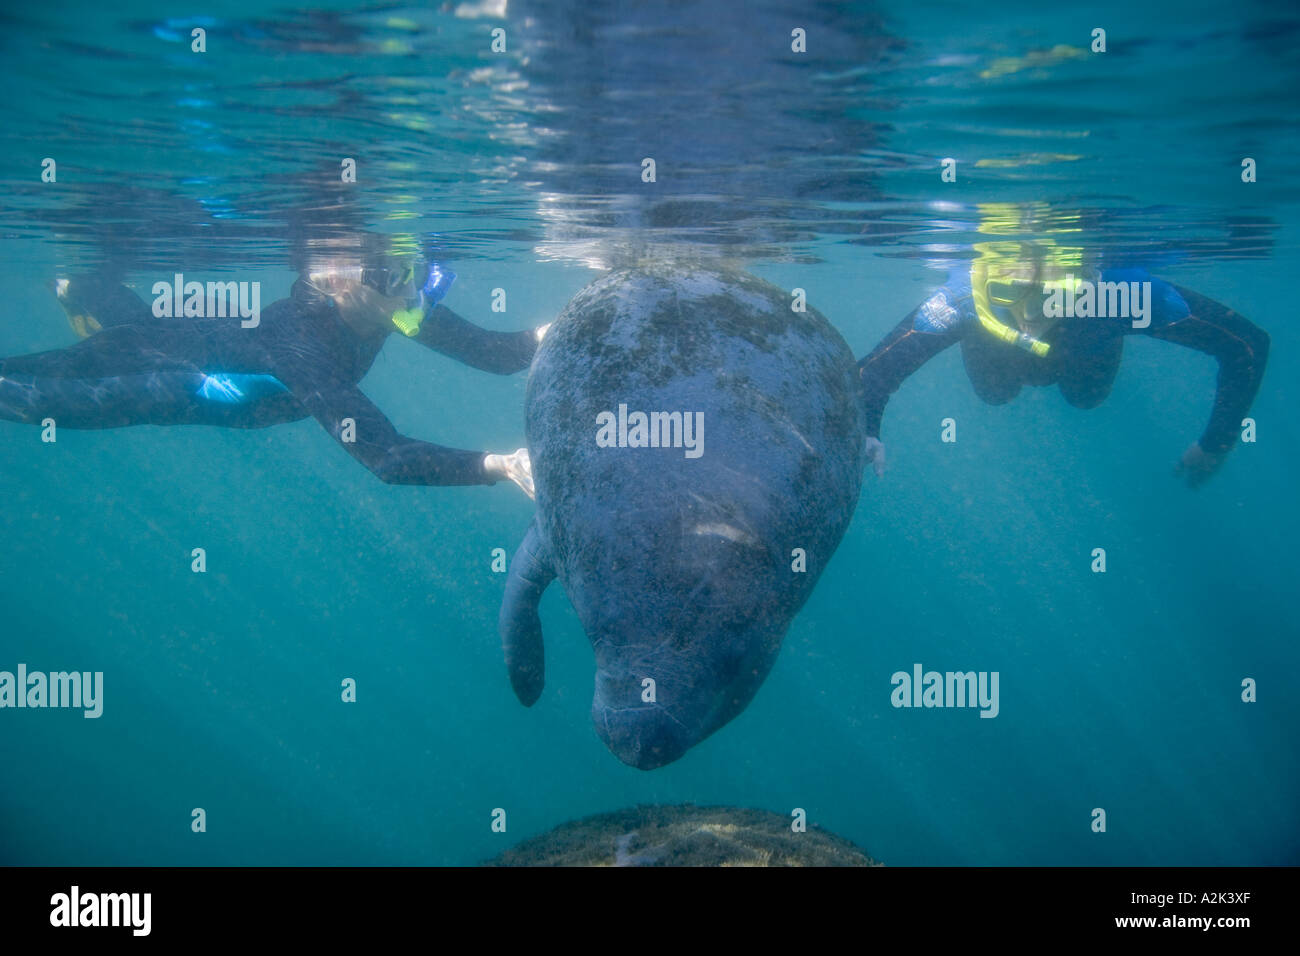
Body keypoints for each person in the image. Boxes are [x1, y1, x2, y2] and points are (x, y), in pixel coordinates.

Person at [0, 255, 545, 496]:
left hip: (195, 332)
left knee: (139, 322)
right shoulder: (303, 345)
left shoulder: (393, 305)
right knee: (50, 396)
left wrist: (556, 329)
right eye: (392, 274)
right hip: (181, 382)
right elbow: (387, 458)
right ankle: (78, 289)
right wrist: (501, 466)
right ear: (339, 285)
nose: (413, 289)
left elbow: (496, 354)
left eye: (416, 269)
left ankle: (78, 287)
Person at [857, 238, 1268, 487]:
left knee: (1085, 398)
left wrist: (1217, 443)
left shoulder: (1118, 298)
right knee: (997, 394)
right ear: (985, 282)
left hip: (1085, 340)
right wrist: (867, 428)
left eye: (1053, 295)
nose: (1028, 314)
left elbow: (1248, 345)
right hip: (1036, 346)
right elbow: (872, 373)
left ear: (1088, 283)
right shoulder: (964, 301)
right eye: (1008, 291)